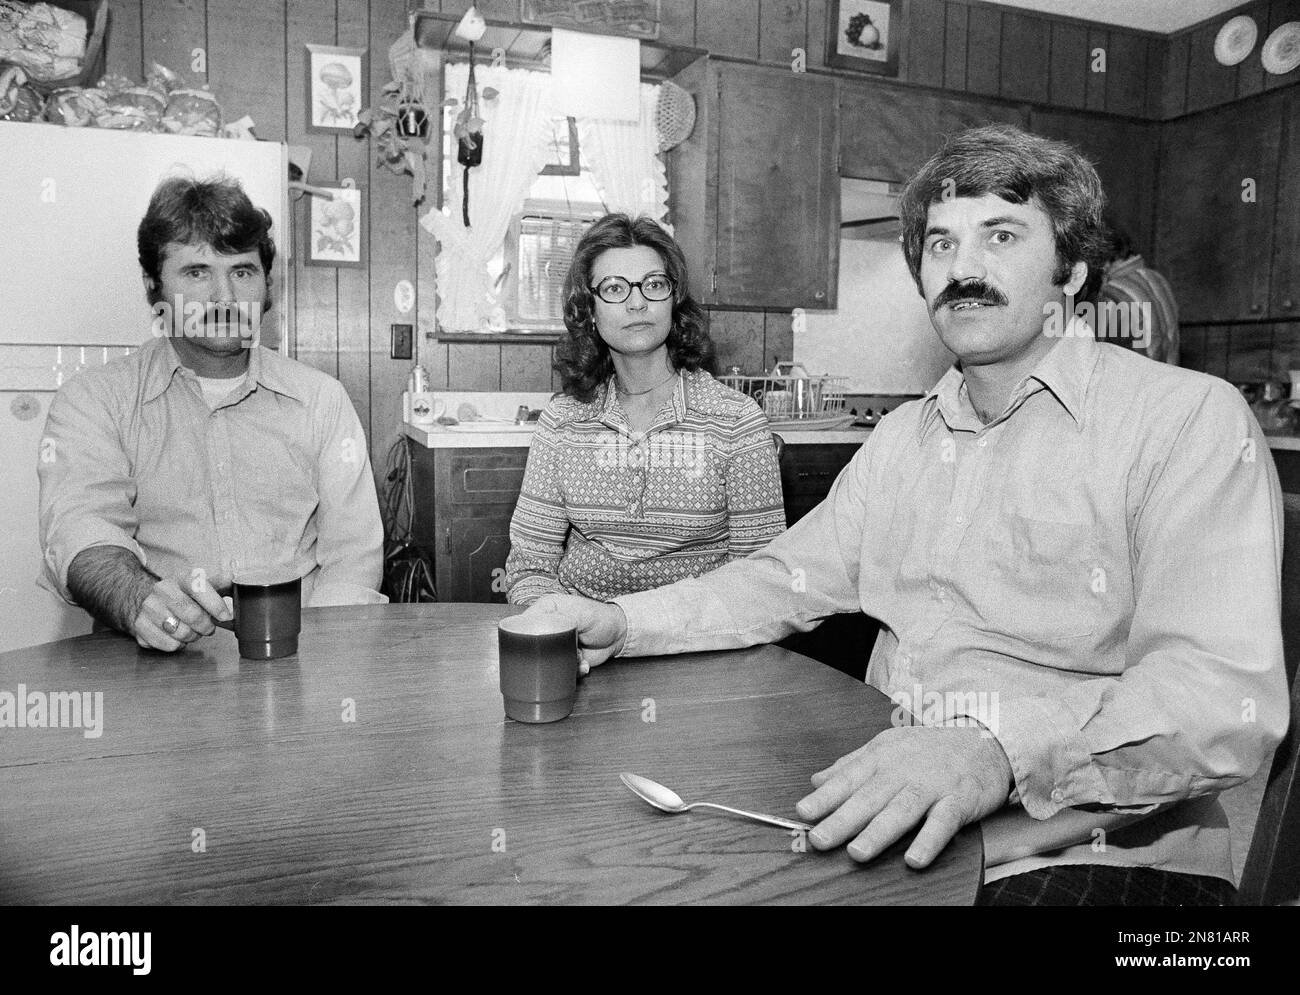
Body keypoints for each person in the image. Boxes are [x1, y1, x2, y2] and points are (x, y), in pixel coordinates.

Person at [518, 126, 1289, 905]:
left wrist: (992, 751)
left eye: (1001, 235)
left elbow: (1218, 699)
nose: (965, 270)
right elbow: (773, 581)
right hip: (894, 813)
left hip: (1089, 853)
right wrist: (623, 620)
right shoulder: (901, 440)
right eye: (941, 245)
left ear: (1071, 268)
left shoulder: (1188, 422)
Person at [38, 175, 386, 653]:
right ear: (152, 286)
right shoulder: (93, 400)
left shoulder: (323, 400)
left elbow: (353, 558)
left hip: (297, 650)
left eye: (242, 272)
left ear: (267, 288)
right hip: (150, 656)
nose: (224, 297)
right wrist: (140, 600)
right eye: (197, 272)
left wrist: (325, 666)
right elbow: (82, 531)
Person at [503, 213, 786, 605]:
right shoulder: (563, 421)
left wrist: (636, 630)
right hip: (581, 640)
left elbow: (761, 581)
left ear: (674, 300)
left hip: (697, 645)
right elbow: (530, 568)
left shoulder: (737, 421)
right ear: (589, 309)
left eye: (654, 285)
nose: (637, 302)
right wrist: (562, 632)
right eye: (615, 288)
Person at [1092, 221, 1180, 364]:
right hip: (1168, 379)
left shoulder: (1111, 294)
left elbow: (1096, 354)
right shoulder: (1156, 278)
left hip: (1138, 382)